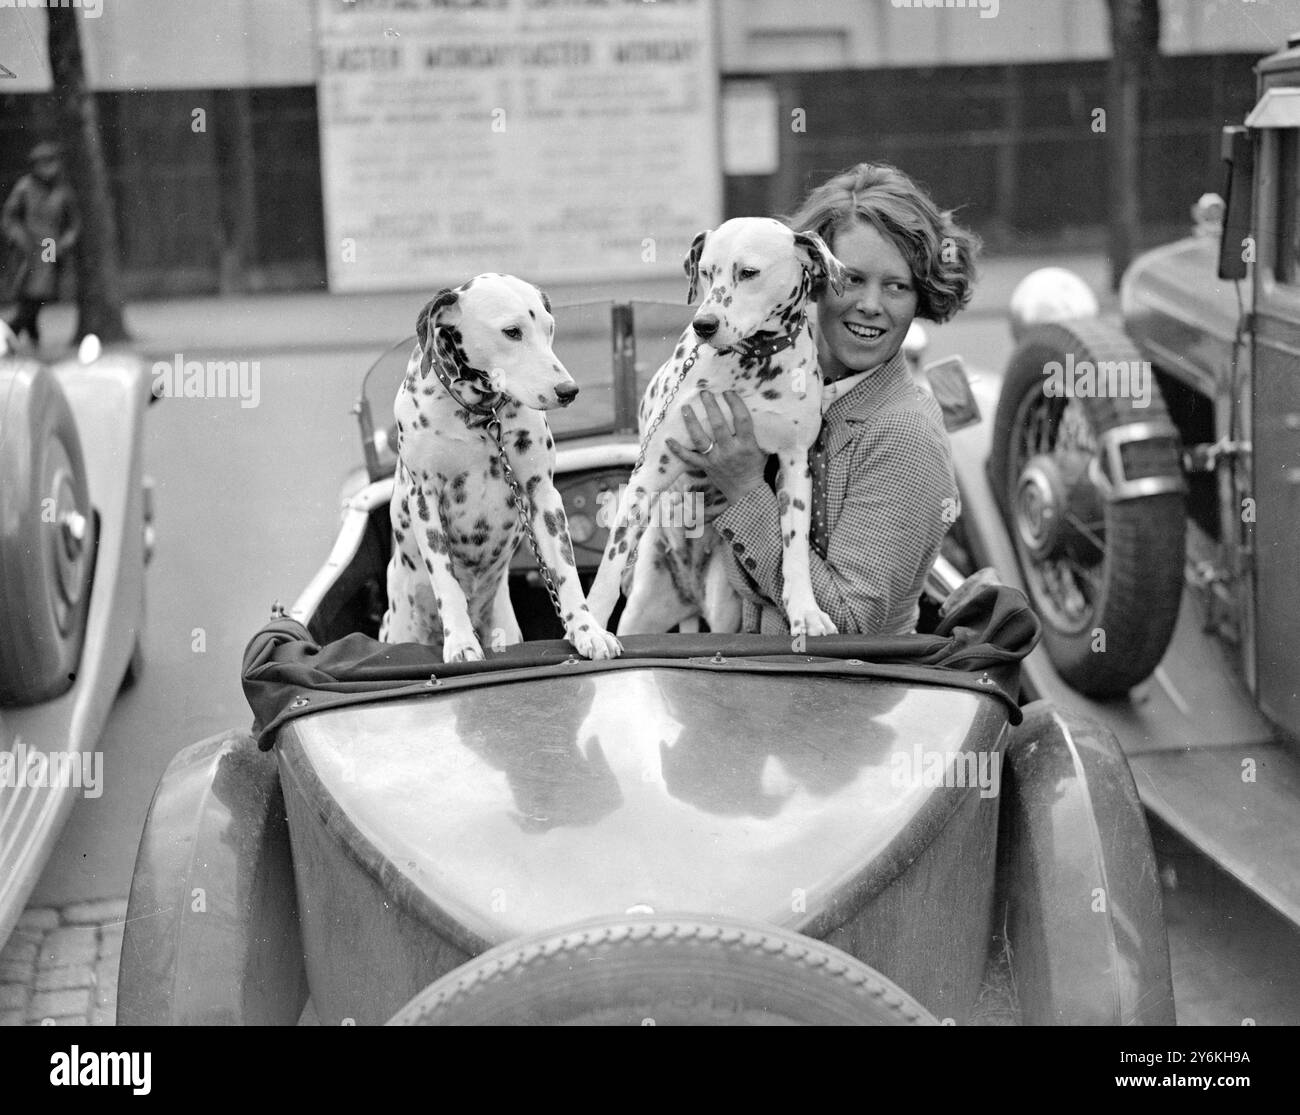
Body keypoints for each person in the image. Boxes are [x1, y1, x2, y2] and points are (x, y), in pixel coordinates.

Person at [667, 163, 980, 636]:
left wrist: (744, 488)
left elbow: (852, 625)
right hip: (733, 672)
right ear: (811, 277)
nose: (871, 305)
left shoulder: (905, 433)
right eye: (852, 280)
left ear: (921, 298)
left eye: (896, 286)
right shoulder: (765, 373)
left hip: (837, 697)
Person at [2, 141, 80, 350]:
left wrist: (64, 243)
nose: (47, 169)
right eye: (42, 164)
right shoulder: (25, 187)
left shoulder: (61, 191)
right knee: (28, 292)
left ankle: (23, 333)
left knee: (41, 292)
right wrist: (19, 237)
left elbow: (72, 224)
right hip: (27, 247)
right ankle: (23, 333)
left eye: (51, 163)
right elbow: (10, 217)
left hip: (49, 246)